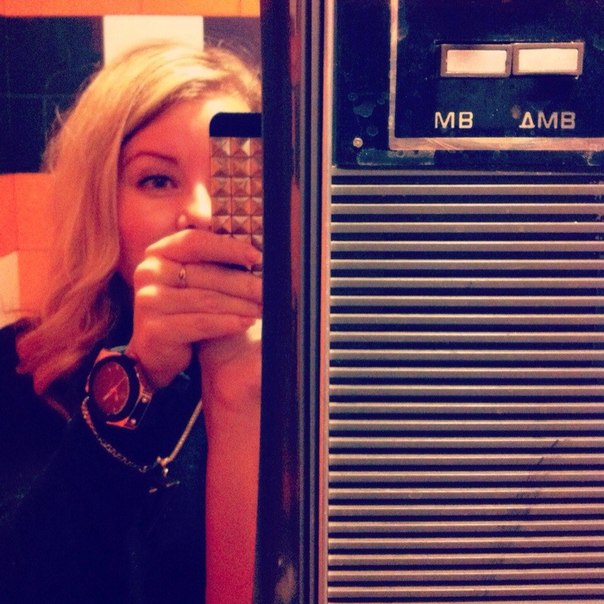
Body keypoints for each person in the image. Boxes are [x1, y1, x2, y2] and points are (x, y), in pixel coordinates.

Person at [0, 41, 263, 604]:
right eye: (157, 180)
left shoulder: (319, 373)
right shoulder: (24, 365)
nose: (202, 212)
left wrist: (240, 392)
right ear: (100, 204)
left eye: (234, 175)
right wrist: (136, 374)